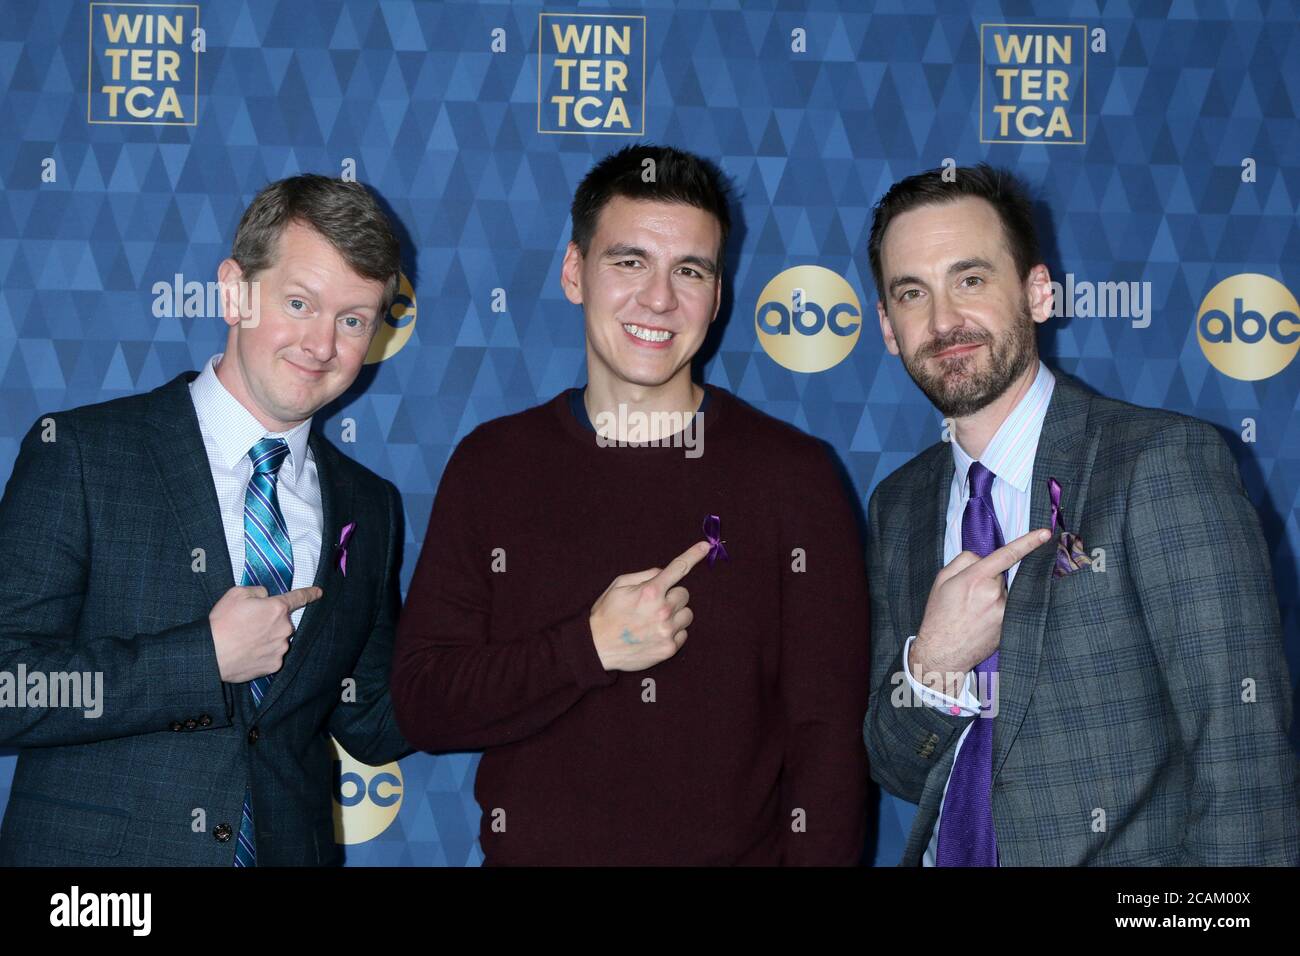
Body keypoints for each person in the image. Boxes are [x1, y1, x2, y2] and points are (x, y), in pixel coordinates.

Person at [392, 144, 869, 865]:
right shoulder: (494, 466)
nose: (658, 298)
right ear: (574, 273)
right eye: (629, 262)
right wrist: (587, 648)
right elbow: (424, 703)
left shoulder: (793, 478)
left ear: (718, 294)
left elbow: (828, 743)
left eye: (689, 270)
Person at [862, 163, 1299, 866]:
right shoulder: (901, 505)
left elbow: (1242, 754)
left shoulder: (1158, 461)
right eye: (913, 293)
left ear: (1037, 292)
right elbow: (899, 766)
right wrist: (936, 665)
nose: (944, 321)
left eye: (971, 279)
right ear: (887, 326)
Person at [0, 174, 411, 865]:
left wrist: (557, 644)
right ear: (234, 291)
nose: (321, 344)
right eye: (300, 303)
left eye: (352, 319)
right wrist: (202, 659)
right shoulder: (81, 453)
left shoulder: (370, 507)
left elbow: (370, 718)